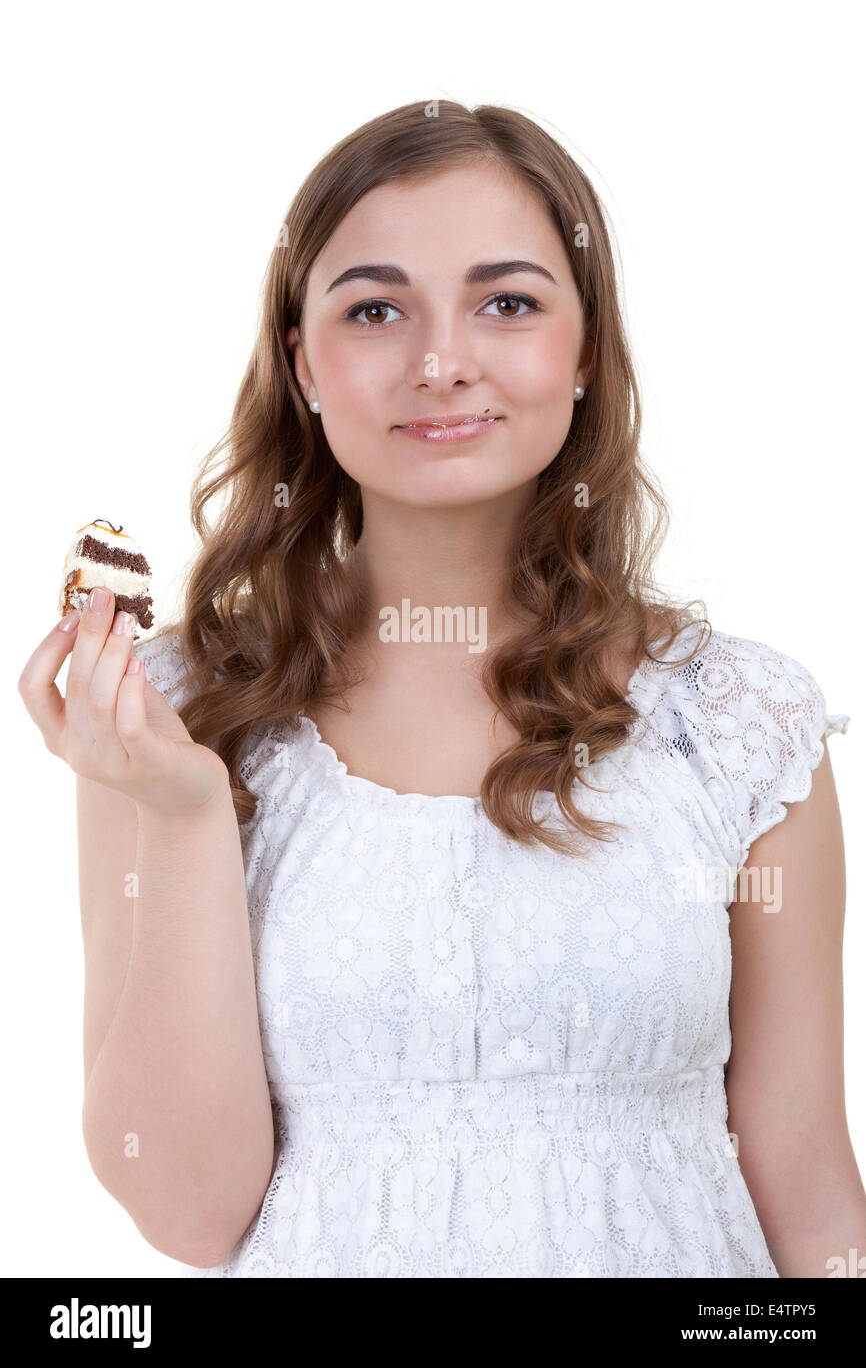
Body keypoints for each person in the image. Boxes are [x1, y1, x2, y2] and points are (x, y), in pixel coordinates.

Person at [19, 100, 866, 1278]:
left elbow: (811, 1199)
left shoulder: (739, 722)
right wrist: (178, 811)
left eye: (506, 301)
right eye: (375, 308)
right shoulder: (167, 717)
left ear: (583, 350)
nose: (440, 360)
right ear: (303, 362)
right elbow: (188, 1210)